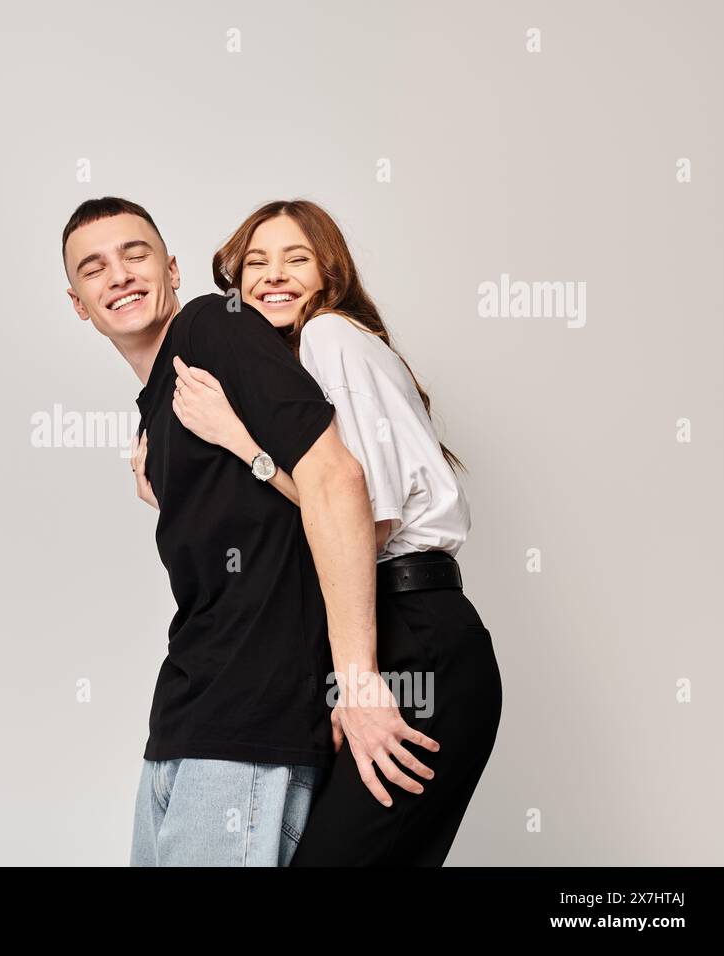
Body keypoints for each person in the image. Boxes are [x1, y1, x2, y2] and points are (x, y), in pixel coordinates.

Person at [62, 197, 436, 866]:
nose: (118, 275)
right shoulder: (155, 413)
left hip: (250, 721)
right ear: (79, 303)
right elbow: (277, 521)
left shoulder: (216, 327)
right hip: (182, 716)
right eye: (95, 268)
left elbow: (337, 483)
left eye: (135, 254)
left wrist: (356, 681)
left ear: (172, 269)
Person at [135, 199, 503, 865]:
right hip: (379, 632)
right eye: (256, 262)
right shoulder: (300, 364)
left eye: (296, 259)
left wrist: (241, 442)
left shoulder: (330, 336)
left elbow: (359, 514)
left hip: (419, 631)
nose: (273, 276)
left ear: (330, 274)